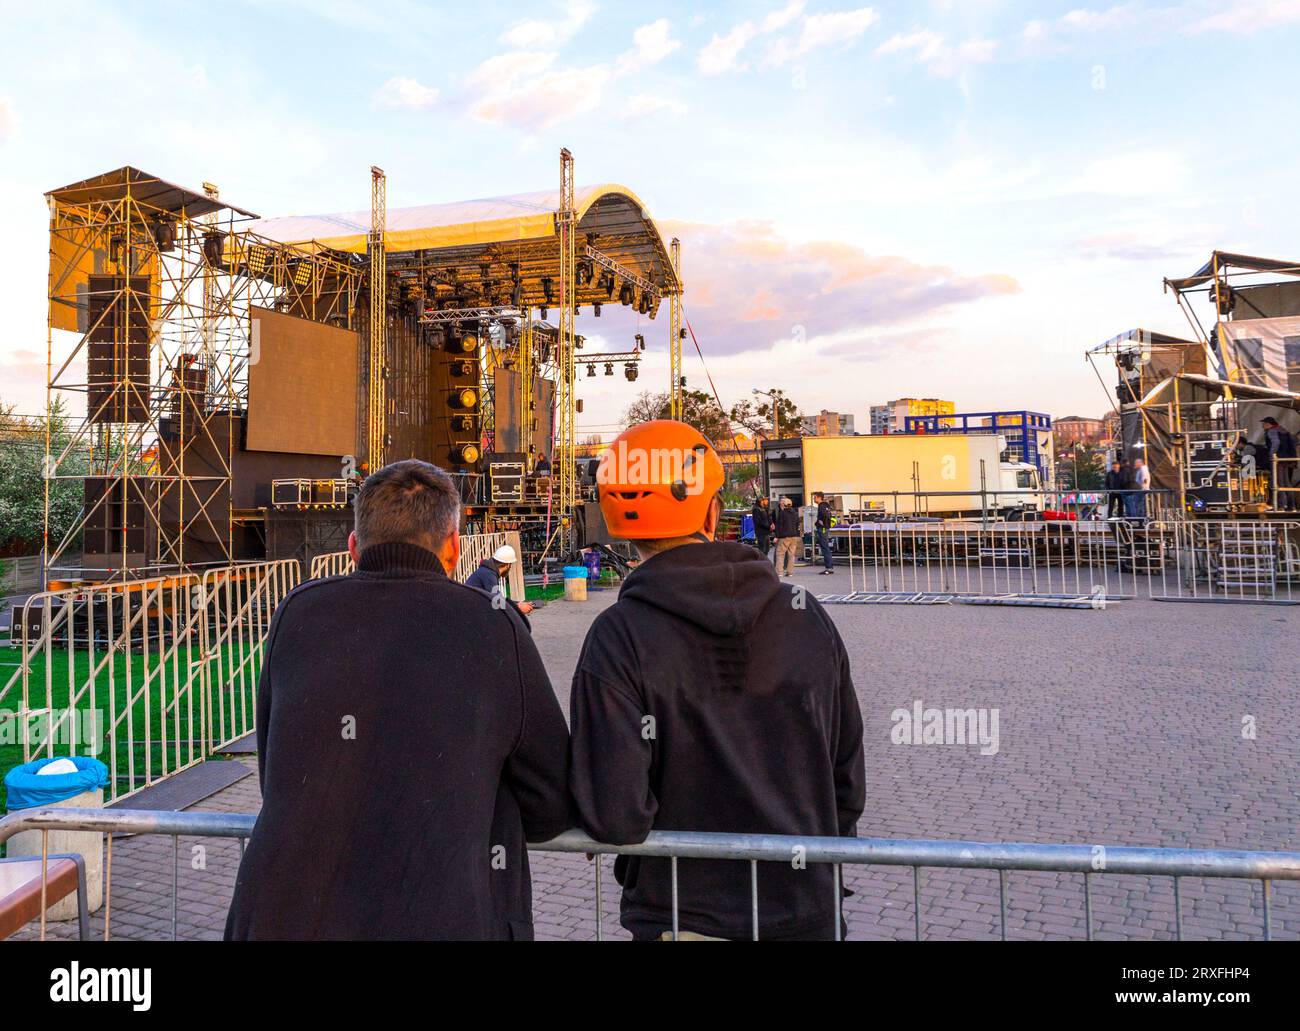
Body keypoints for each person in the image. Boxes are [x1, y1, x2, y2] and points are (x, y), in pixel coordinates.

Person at [224, 460, 570, 940]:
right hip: (442, 917)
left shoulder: (298, 611)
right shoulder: (493, 623)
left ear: (352, 547)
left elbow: (276, 770)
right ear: (453, 548)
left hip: (282, 917)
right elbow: (551, 798)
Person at [569, 419, 865, 941]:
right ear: (711, 510)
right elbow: (847, 782)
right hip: (808, 914)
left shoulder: (618, 637)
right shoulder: (805, 615)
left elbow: (616, 813)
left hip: (682, 917)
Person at [465, 543, 536, 621]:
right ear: (508, 565)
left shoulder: (487, 571)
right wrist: (518, 607)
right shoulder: (489, 574)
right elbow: (498, 603)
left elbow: (498, 599)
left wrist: (518, 604)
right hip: (471, 614)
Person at [1262, 416, 1298, 511]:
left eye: (1264, 425)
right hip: (1286, 460)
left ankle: (1281, 505)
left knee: (1278, 482)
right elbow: (1293, 442)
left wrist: (1272, 454)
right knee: (1286, 482)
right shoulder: (1284, 431)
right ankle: (1292, 505)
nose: (1263, 427)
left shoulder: (1272, 431)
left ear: (1268, 424)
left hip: (1277, 460)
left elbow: (1276, 442)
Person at [773, 495, 801, 577]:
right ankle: (790, 572)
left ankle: (779, 572)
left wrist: (777, 536)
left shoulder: (782, 513)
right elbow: (797, 524)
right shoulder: (795, 513)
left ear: (784, 505)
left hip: (784, 536)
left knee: (780, 554)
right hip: (794, 536)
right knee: (791, 554)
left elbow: (779, 525)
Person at [812, 491, 835, 575]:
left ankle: (828, 568)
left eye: (814, 497)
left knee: (825, 548)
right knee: (826, 548)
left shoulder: (822, 506)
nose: (814, 499)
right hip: (824, 528)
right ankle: (829, 567)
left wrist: (823, 523)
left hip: (822, 529)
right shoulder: (826, 505)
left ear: (819, 497)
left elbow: (826, 516)